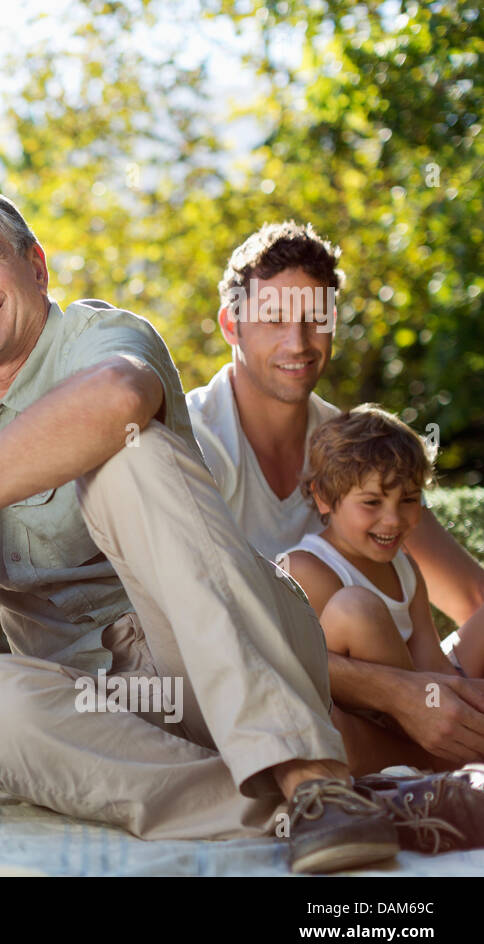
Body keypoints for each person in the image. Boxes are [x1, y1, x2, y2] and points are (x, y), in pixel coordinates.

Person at [0, 183, 438, 874]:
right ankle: (336, 815)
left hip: (219, 655)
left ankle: (315, 782)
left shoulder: (101, 337)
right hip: (106, 708)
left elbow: (120, 398)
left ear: (36, 264)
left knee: (127, 452)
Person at [187, 221, 484, 772]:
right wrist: (397, 692)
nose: (296, 343)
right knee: (308, 722)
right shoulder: (195, 444)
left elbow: (470, 596)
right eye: (273, 319)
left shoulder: (354, 448)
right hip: (287, 692)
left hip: (397, 689)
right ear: (233, 324)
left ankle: (441, 753)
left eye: (313, 321)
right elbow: (215, 641)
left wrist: (443, 697)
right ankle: (436, 765)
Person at [284, 405, 484, 771]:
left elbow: (431, 668)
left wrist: (464, 701)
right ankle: (445, 758)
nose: (393, 519)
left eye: (408, 500)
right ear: (323, 497)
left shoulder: (405, 568)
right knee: (355, 608)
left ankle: (450, 751)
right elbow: (288, 671)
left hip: (416, 722)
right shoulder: (305, 568)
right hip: (352, 731)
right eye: (372, 503)